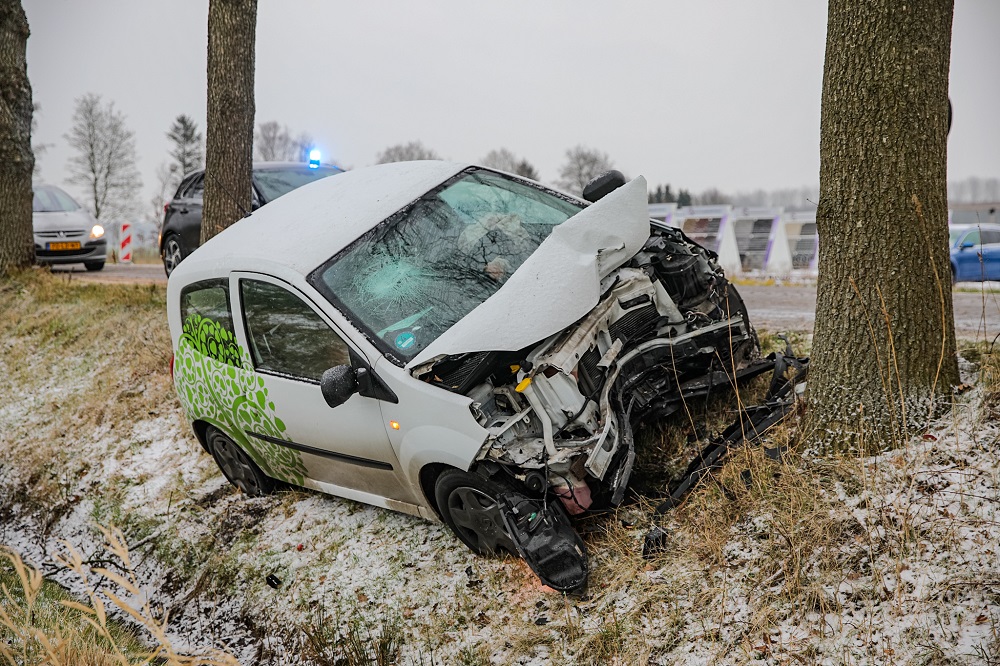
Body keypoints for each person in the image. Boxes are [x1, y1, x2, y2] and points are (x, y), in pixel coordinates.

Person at [457, 212, 535, 281]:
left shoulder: (470, 250)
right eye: (497, 273)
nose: (495, 271)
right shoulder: (522, 255)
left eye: (491, 272)